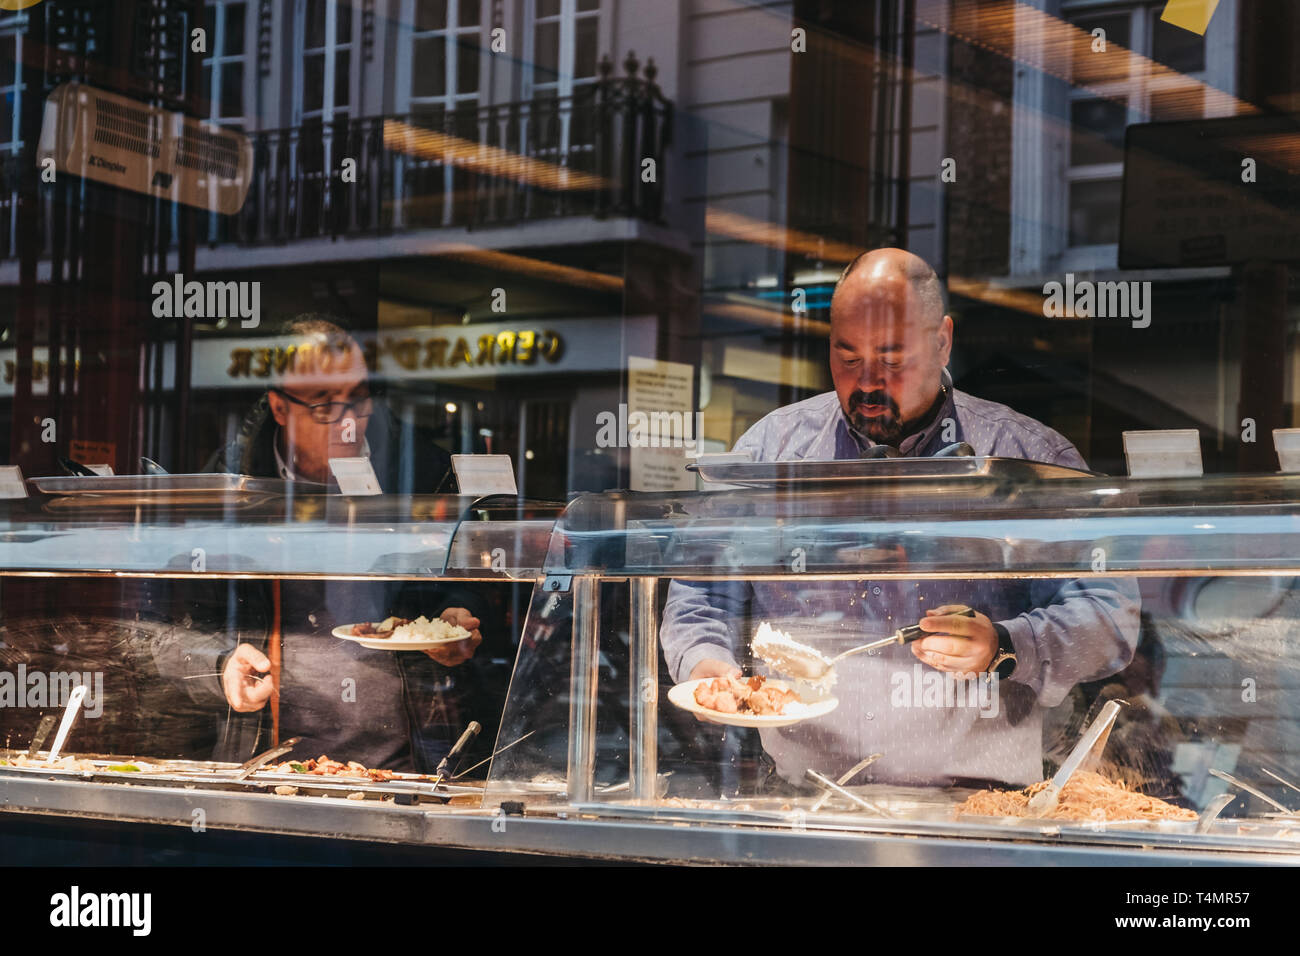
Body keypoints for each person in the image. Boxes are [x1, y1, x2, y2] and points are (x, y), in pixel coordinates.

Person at [660, 248, 1141, 789]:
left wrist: (1006, 645)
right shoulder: (772, 452)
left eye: (891, 360)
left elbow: (1110, 617)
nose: (867, 382)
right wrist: (705, 667)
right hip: (803, 802)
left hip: (978, 808)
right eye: (847, 357)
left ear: (942, 342)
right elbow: (699, 593)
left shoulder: (1027, 457)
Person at [152, 315, 487, 770]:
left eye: (358, 399)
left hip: (409, 765)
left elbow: (471, 572)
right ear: (280, 407)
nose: (348, 422)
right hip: (267, 764)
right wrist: (220, 663)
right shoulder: (229, 494)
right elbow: (166, 633)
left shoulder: (423, 476)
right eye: (324, 405)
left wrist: (455, 618)